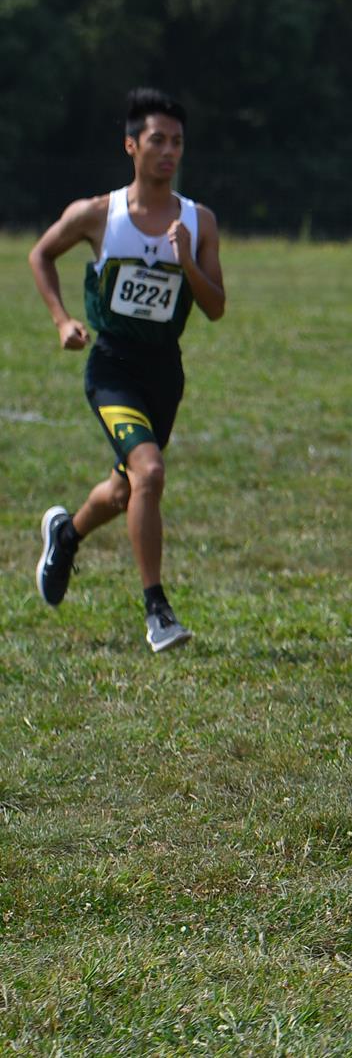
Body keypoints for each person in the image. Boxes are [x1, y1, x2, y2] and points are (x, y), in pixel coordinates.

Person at [31, 88, 226, 652]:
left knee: (125, 489)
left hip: (165, 373)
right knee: (151, 473)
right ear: (131, 145)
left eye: (178, 142)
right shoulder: (99, 214)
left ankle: (65, 534)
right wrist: (62, 320)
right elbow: (40, 254)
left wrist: (186, 257)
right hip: (111, 368)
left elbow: (215, 308)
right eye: (157, 140)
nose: (169, 151)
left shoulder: (199, 221)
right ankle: (158, 610)